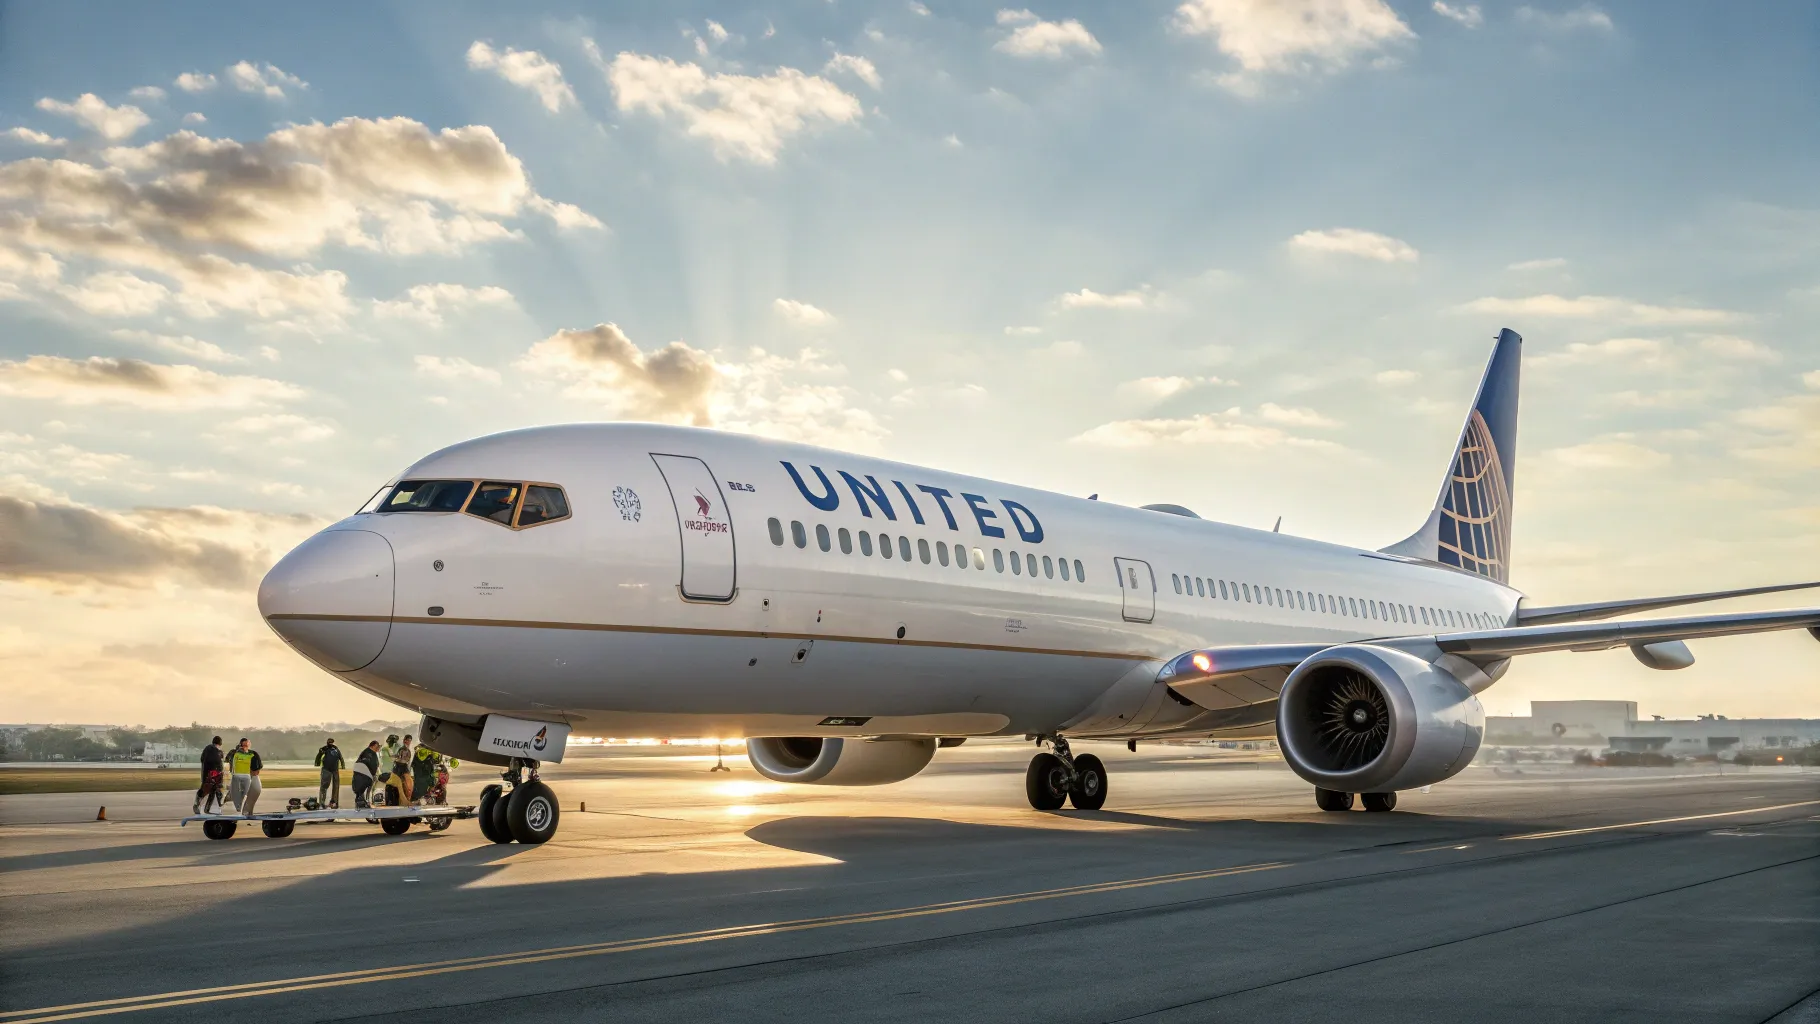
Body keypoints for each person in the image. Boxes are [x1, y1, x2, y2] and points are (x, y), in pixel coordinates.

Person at [226, 738, 263, 816]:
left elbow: (257, 770)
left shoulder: (252, 754)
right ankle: (245, 811)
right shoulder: (235, 753)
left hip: (248, 777)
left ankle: (247, 812)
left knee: (253, 792)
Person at [193, 736, 225, 814]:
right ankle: (200, 806)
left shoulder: (207, 749)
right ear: (220, 743)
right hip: (212, 774)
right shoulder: (217, 751)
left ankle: (203, 807)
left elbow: (202, 759)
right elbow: (219, 763)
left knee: (211, 790)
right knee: (208, 790)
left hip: (207, 773)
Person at [313, 737, 344, 809]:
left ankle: (334, 802)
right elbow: (319, 756)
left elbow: (341, 757)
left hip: (335, 770)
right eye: (329, 742)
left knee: (336, 786)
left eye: (332, 742)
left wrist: (343, 765)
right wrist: (317, 763)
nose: (331, 743)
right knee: (324, 786)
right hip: (326, 769)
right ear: (327, 742)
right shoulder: (324, 749)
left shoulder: (336, 749)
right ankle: (321, 803)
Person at [351, 740, 381, 809]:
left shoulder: (369, 752)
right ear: (372, 746)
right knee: (365, 787)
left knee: (361, 789)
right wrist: (373, 774)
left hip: (363, 773)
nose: (377, 748)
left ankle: (362, 802)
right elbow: (370, 763)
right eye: (376, 747)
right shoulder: (369, 752)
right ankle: (365, 801)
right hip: (364, 774)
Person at [388, 734, 414, 805]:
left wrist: (393, 757)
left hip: (401, 767)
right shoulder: (403, 749)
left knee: (406, 784)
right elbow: (401, 758)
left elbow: (400, 757)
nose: (408, 742)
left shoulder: (404, 749)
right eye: (407, 740)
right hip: (400, 767)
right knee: (404, 785)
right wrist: (394, 757)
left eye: (409, 741)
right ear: (404, 741)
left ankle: (405, 800)